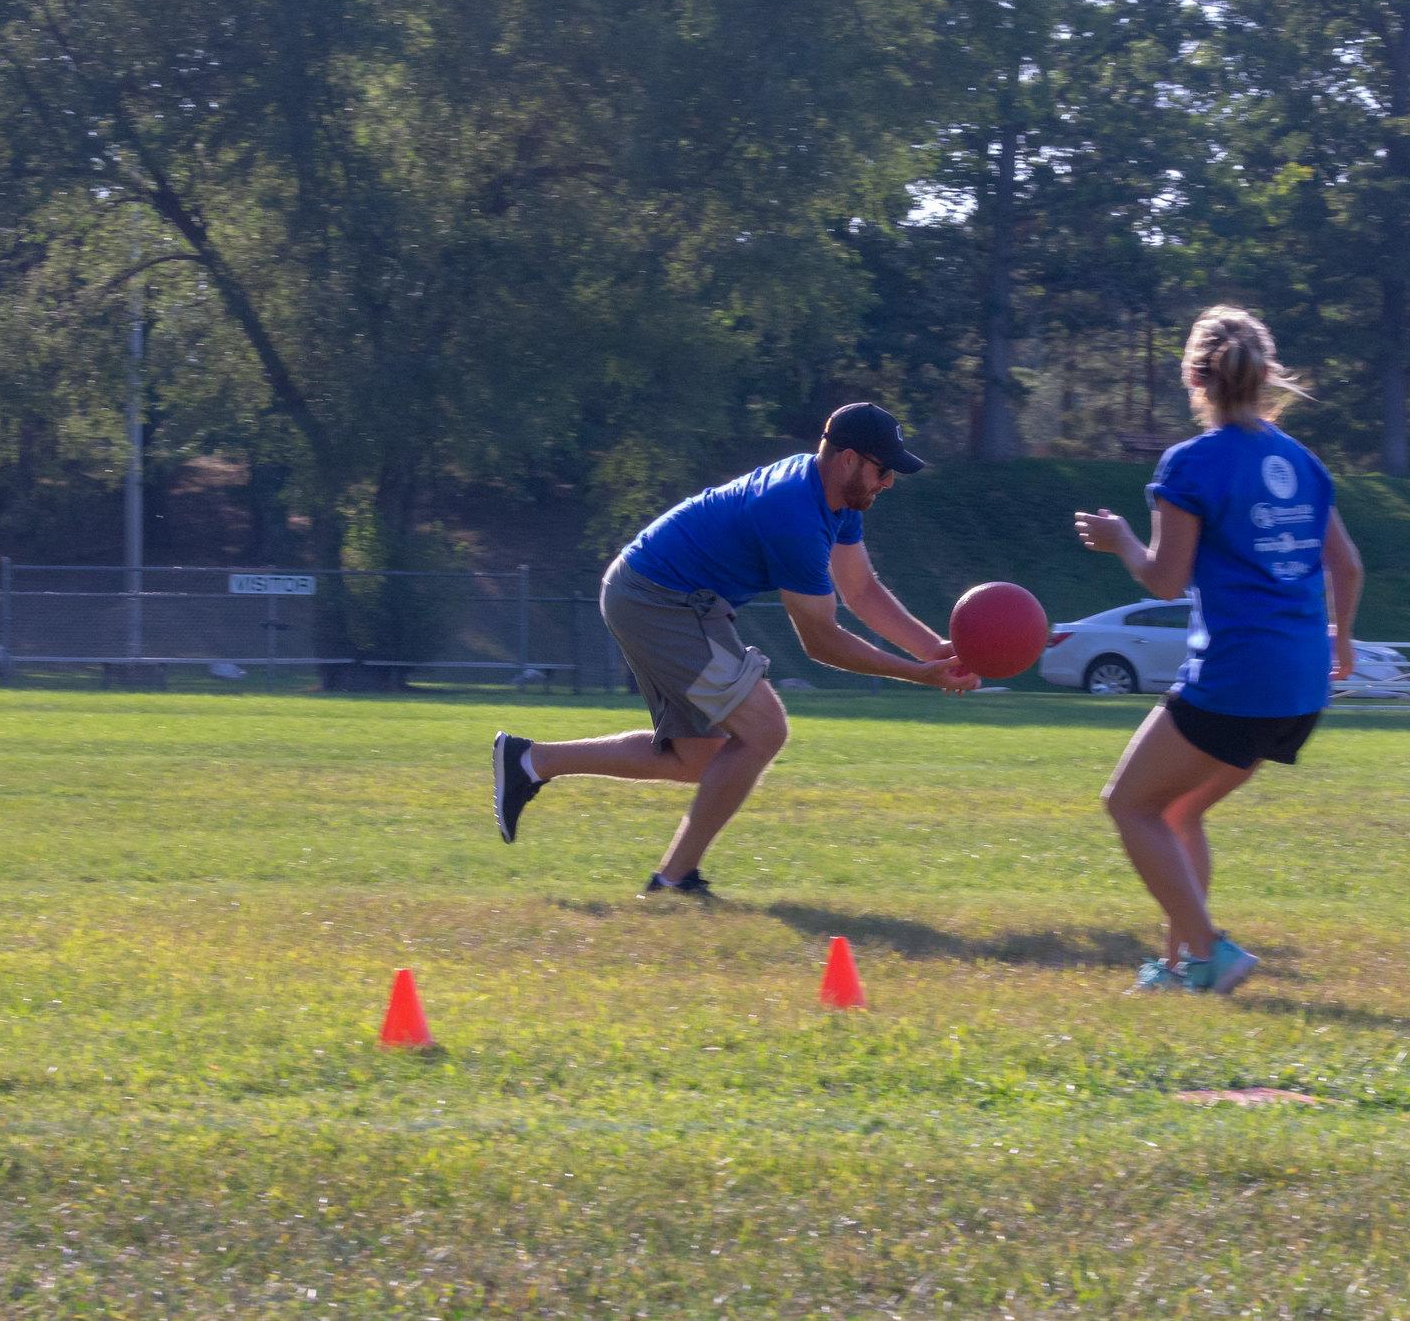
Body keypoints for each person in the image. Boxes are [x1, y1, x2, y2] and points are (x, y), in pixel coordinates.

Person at [492, 402, 978, 895]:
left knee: (701, 758)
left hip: (662, 596)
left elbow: (862, 591)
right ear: (849, 459)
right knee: (764, 728)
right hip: (659, 600)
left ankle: (531, 762)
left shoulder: (837, 500)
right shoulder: (793, 513)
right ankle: (673, 878)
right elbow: (820, 641)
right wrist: (916, 675)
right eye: (884, 468)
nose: (889, 481)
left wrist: (933, 650)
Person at [1074, 306, 1364, 994]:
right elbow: (1346, 565)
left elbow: (1165, 578)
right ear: (1266, 376)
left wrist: (1121, 540)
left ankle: (1210, 949)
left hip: (1237, 675)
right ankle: (1183, 967)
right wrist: (1342, 642)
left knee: (1129, 804)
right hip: (1300, 685)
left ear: (1194, 376)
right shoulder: (1300, 459)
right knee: (1179, 811)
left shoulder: (1191, 463)